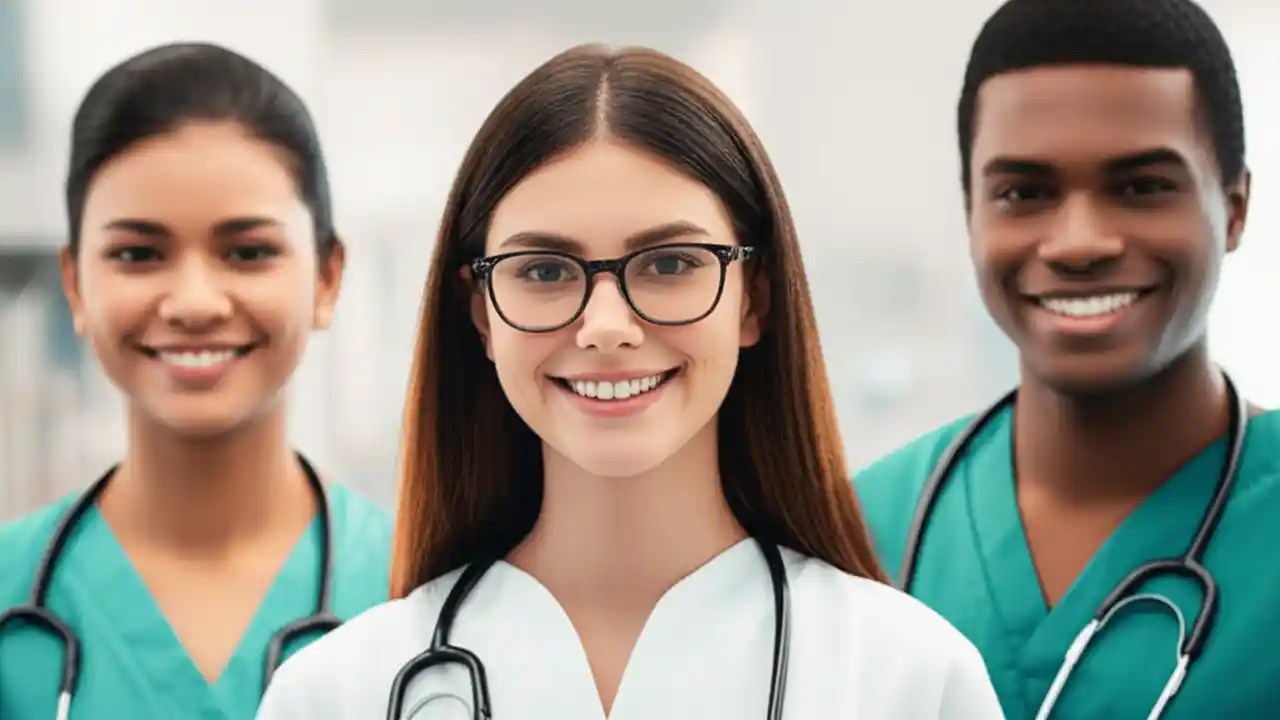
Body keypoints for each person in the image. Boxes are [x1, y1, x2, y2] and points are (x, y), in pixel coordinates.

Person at [254, 43, 1003, 719]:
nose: (606, 325)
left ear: (757, 298)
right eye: (544, 271)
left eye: (671, 264)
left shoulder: (909, 680)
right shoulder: (337, 695)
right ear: (480, 314)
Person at [854, 1, 1280, 718]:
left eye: (1141, 186)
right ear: (971, 214)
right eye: (1024, 193)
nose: (1078, 242)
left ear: (1234, 208)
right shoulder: (859, 531)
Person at [0, 43, 393, 719]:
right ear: (75, 285)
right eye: (138, 254)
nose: (194, 302)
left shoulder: (424, 587)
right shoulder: (10, 591)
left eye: (248, 252)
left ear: (328, 277)